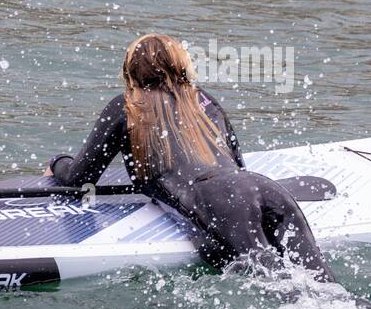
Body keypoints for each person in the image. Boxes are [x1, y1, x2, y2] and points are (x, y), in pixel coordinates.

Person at [46, 34, 334, 282]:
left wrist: (57, 161)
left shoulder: (126, 107)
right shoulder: (204, 100)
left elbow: (79, 179)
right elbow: (237, 165)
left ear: (129, 73)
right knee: (325, 287)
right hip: (263, 188)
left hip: (219, 205)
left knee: (277, 289)